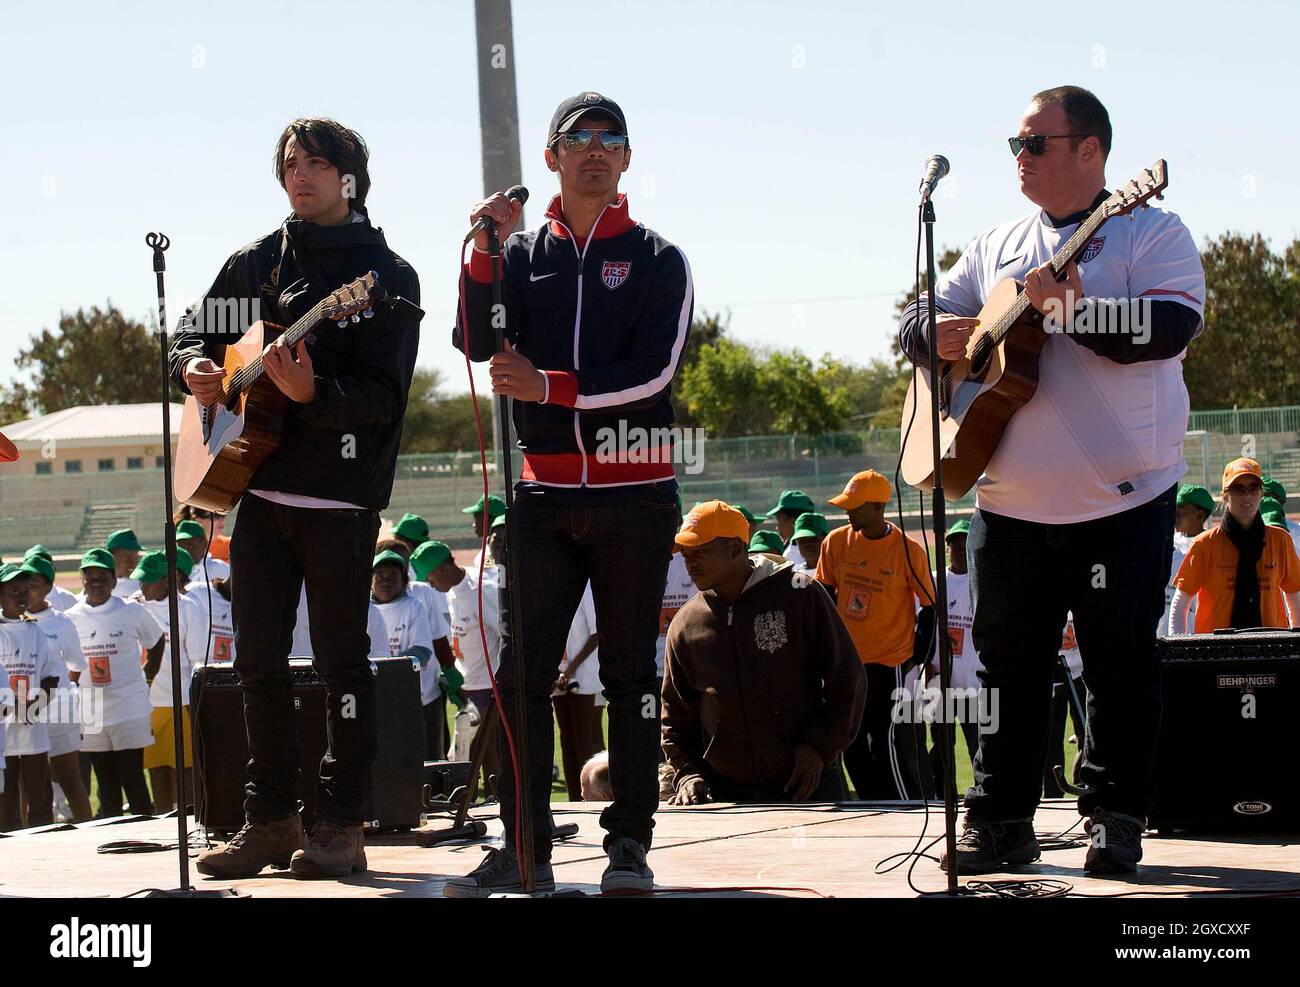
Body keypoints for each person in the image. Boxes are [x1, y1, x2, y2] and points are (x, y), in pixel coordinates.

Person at [898, 86, 1206, 874]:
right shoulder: (998, 242)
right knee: (1006, 668)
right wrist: (929, 332)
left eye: (1035, 144)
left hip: (1122, 499)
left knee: (1119, 663)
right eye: (1016, 145)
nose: (1020, 159)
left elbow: (1168, 329)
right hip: (1009, 503)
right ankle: (999, 818)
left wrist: (1082, 314)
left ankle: (1115, 814)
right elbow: (918, 318)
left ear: (1092, 151)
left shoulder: (1150, 230)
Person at [447, 91, 692, 897]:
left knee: (627, 675)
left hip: (636, 496)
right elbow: (479, 339)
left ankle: (629, 845)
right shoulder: (521, 253)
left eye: (610, 138)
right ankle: (525, 849)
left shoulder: (660, 258)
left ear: (626, 159)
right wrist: (480, 246)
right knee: (522, 676)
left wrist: (551, 386)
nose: (594, 148)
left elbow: (654, 374)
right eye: (576, 137)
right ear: (552, 158)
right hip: (543, 498)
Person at [171, 116, 422, 879]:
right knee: (256, 665)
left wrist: (316, 392)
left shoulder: (385, 276)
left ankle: (342, 822)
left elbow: (383, 395)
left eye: (316, 163)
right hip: (255, 491)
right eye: (290, 165)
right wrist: (194, 369)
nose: (300, 176)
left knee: (344, 666)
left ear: (350, 177)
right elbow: (188, 334)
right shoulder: (253, 263)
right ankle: (269, 819)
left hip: (339, 502)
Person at [661, 502, 863, 804]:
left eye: (700, 552)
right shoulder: (686, 623)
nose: (690, 563)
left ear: (735, 548)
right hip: (726, 798)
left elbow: (847, 678)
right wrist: (688, 773)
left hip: (808, 785)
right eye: (686, 554)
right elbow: (675, 714)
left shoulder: (800, 594)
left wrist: (819, 747)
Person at [815, 470, 935, 801]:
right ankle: (873, 803)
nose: (847, 512)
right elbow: (824, 598)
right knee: (850, 741)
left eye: (854, 506)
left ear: (877, 507)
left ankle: (906, 805)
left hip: (890, 663)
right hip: (848, 666)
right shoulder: (835, 542)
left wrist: (917, 658)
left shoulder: (908, 550)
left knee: (886, 741)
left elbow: (929, 607)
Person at [64, 548, 165, 818]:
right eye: (90, 577)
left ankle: (146, 841)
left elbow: (156, 641)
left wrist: (148, 676)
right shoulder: (71, 616)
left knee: (132, 779)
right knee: (106, 786)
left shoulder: (131, 610)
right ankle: (111, 846)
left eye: (102, 577)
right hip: (92, 711)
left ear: (113, 579)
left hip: (128, 708)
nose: (96, 582)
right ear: (83, 579)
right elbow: (70, 664)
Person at [1169, 458, 1300, 633]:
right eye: (1239, 489)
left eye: (1253, 488)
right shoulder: (1204, 543)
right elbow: (1181, 601)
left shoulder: (1280, 539)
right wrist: (1179, 647)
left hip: (1270, 646)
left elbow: (1293, 594)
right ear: (1225, 495)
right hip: (1216, 651)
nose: (1247, 496)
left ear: (1261, 493)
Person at [421, 541, 501, 796]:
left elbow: (505, 634)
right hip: (468, 689)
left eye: (430, 577)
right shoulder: (451, 592)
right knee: (464, 759)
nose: (430, 584)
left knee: (491, 760)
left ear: (443, 569)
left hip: (489, 689)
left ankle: (503, 811)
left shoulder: (479, 592)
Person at [132, 551, 207, 814]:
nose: (141, 586)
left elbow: (198, 658)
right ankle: (161, 819)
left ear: (166, 579)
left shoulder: (188, 608)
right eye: (140, 580)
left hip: (181, 701)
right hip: (148, 703)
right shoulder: (136, 606)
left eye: (147, 581)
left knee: (185, 769)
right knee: (156, 768)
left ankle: (189, 817)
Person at [22, 554, 93, 822]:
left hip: (59, 711)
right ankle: (23, 834)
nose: (28, 591)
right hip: (24, 712)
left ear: (49, 587)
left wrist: (63, 691)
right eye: (24, 584)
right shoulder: (11, 621)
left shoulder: (61, 621)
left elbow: (76, 663)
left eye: (35, 584)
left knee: (69, 777)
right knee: (27, 782)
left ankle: (88, 831)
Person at [371, 548, 460, 761]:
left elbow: (422, 651)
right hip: (381, 699)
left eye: (393, 577)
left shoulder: (413, 606)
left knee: (428, 759)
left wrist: (387, 670)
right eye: (380, 576)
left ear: (404, 582)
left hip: (421, 697)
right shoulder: (364, 610)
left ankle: (434, 795)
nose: (385, 581)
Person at [0, 562, 61, 830]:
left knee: (40, 805)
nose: (22, 597)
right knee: (6, 806)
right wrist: (12, 706)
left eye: (25, 591)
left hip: (33, 734)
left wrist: (38, 703)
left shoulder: (36, 631)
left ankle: (42, 857)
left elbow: (50, 677)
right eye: (14, 592)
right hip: (5, 737)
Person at [923, 519, 982, 792]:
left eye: (964, 545)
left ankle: (983, 796)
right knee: (942, 747)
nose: (959, 550)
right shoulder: (934, 582)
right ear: (946, 549)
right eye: (953, 545)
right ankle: (943, 797)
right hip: (939, 683)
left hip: (975, 686)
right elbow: (920, 627)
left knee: (979, 746)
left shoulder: (983, 581)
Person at [553, 581, 605, 801]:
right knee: (566, 739)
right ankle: (574, 797)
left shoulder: (586, 589)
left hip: (584, 674)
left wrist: (571, 669)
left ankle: (592, 795)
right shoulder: (550, 586)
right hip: (559, 673)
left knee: (584, 738)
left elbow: (597, 633)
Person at [1163, 484, 1212, 632]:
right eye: (1175, 511)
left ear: (1200, 514)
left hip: (1195, 633)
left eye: (1182, 512)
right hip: (1163, 632)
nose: (1175, 517)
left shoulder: (1210, 545)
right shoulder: (1169, 541)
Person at [764, 490, 816, 564]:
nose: (777, 528)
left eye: (779, 520)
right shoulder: (789, 546)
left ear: (793, 522)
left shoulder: (806, 553)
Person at [176, 520, 230, 586]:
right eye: (181, 544)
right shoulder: (175, 573)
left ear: (204, 542)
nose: (185, 548)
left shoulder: (219, 568)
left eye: (190, 543)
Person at [25, 547, 77, 612]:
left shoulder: (67, 598)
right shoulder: (14, 603)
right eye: (31, 562)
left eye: (44, 562)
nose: (38, 565)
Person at [462, 494, 507, 568]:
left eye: (477, 519)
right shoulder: (489, 549)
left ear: (491, 520)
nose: (474, 525)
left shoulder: (496, 553)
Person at [105, 529, 144, 600]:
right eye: (127, 559)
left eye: (135, 559)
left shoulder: (145, 586)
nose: (132, 564)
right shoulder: (100, 588)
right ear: (111, 558)